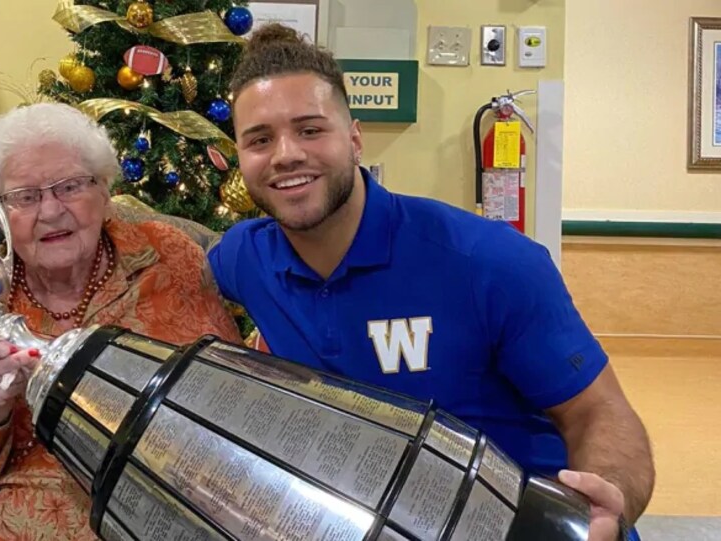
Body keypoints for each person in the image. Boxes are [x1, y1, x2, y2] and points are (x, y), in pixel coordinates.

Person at [207, 24, 654, 541]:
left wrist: (606, 502)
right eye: (260, 139)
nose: (285, 154)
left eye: (310, 130)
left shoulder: (487, 263)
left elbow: (599, 411)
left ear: (354, 139)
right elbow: (170, 253)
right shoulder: (247, 256)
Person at [0, 102, 242, 541]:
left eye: (70, 187)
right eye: (25, 196)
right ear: (2, 213)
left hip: (161, 507)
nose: (50, 211)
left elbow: (227, 391)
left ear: (104, 192)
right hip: (13, 522)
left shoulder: (169, 257)